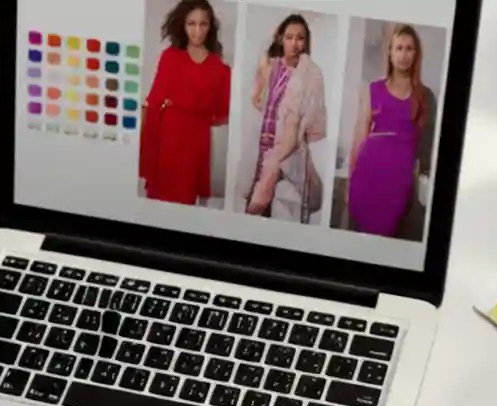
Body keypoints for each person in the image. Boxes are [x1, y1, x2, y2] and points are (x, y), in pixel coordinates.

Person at [346, 24, 437, 238]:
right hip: (367, 175)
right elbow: (360, 136)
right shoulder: (373, 90)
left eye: (409, 49)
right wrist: (350, 184)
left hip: (400, 181)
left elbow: (427, 146)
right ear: (390, 52)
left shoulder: (425, 96)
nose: (404, 55)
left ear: (416, 54)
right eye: (399, 48)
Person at [139, 0, 232, 206]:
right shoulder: (170, 57)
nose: (197, 31)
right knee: (157, 200)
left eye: (203, 24)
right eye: (191, 23)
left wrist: (199, 116)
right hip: (167, 137)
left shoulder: (220, 69)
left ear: (210, 27)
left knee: (184, 200)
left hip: (195, 141)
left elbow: (224, 112)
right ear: (183, 24)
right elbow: (153, 101)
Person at [244, 14, 326, 222]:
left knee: (273, 206)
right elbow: (259, 101)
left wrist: (295, 134)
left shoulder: (311, 74)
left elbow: (313, 120)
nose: (294, 43)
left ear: (306, 41)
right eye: (289, 37)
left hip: (288, 150)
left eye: (300, 38)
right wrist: (263, 70)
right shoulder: (272, 67)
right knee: (252, 210)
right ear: (281, 38)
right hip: (263, 142)